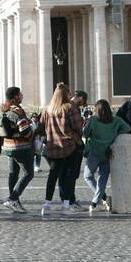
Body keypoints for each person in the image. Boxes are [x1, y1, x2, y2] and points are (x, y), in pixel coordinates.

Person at [40, 83, 84, 215]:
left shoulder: (47, 109)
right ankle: (66, 204)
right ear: (66, 94)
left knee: (53, 175)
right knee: (70, 175)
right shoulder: (70, 107)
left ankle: (46, 204)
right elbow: (77, 126)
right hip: (70, 145)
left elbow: (41, 126)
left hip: (53, 146)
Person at [82, 99, 130, 211]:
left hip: (94, 151)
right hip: (108, 151)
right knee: (103, 177)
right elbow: (127, 128)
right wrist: (115, 134)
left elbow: (85, 133)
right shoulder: (116, 120)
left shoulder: (93, 120)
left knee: (88, 176)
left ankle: (99, 198)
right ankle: (98, 199)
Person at [0, 87, 36, 214]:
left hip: (9, 146)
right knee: (28, 173)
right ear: (15, 97)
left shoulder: (5, 110)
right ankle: (13, 198)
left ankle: (15, 202)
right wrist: (32, 132)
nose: (22, 95)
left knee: (13, 173)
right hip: (21, 147)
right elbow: (24, 131)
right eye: (20, 94)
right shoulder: (17, 111)